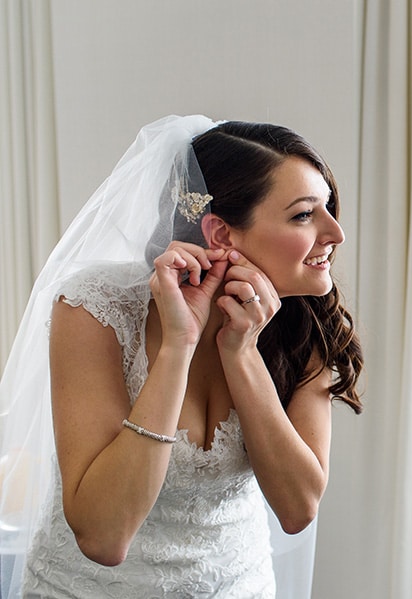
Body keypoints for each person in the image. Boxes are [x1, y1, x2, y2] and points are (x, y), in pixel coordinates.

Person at [0, 115, 363, 598]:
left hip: (238, 585)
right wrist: (179, 346)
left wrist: (243, 353)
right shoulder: (94, 309)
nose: (335, 232)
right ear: (222, 234)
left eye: (328, 208)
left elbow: (298, 509)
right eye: (304, 215)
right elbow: (104, 537)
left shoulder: (306, 329)